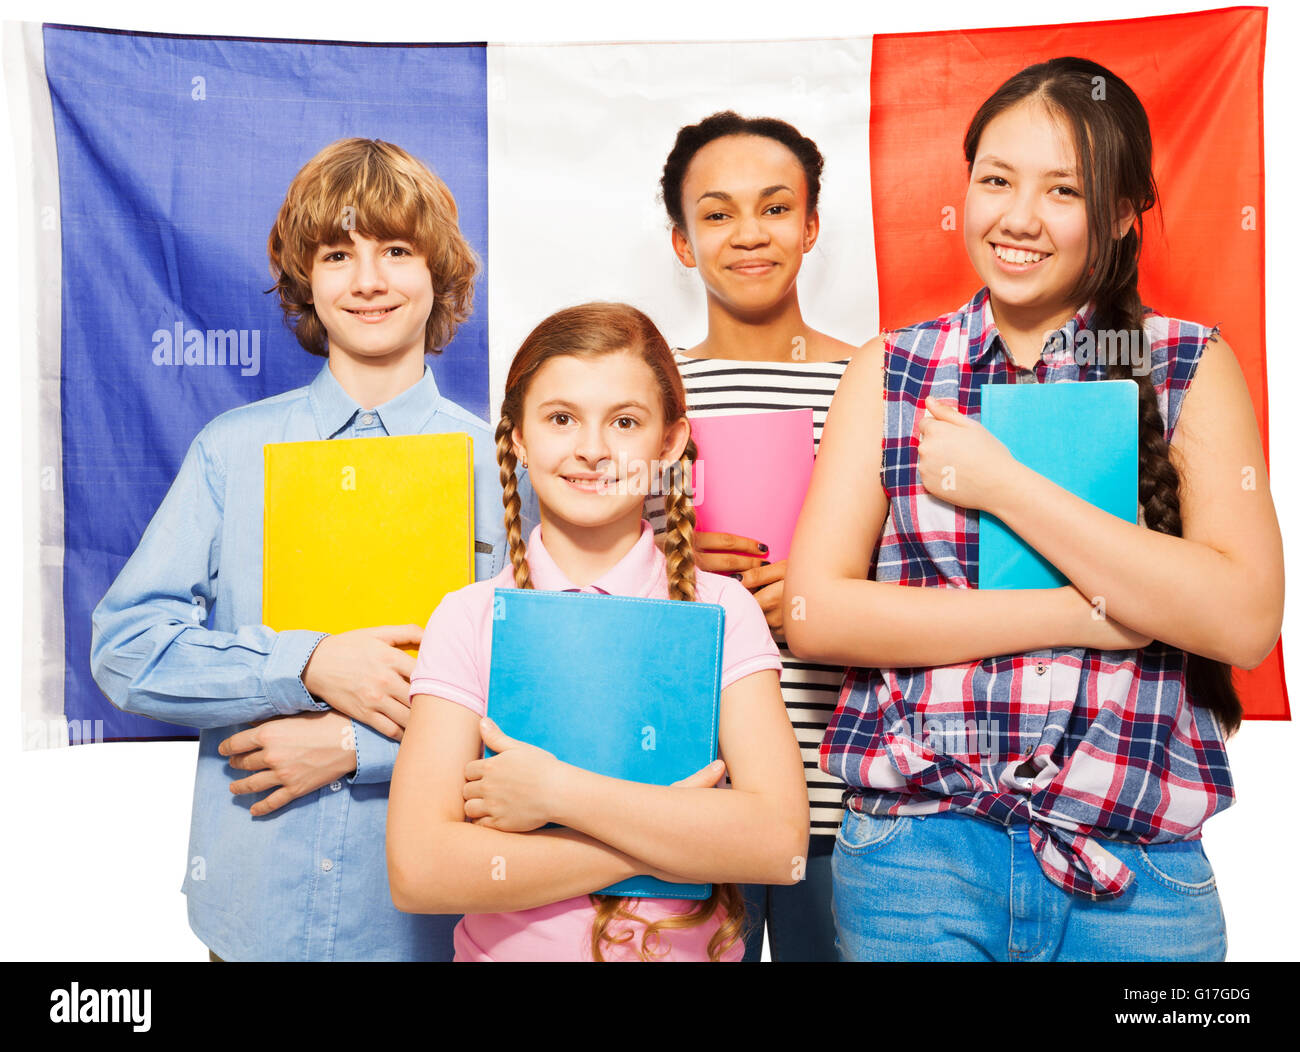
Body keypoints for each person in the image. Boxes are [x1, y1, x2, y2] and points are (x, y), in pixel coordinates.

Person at [784, 57, 1284, 962]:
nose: (1018, 218)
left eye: (1064, 191)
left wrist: (1002, 482)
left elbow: (1244, 621)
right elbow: (819, 612)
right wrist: (1080, 617)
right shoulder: (891, 369)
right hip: (916, 862)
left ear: (1127, 212)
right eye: (996, 181)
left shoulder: (1188, 364)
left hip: (1138, 878)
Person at [90, 138, 536, 961]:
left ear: (438, 272)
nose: (368, 280)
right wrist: (304, 666)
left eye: (396, 250)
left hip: (429, 922)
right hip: (251, 910)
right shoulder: (232, 451)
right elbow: (125, 651)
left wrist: (353, 747)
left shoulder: (507, 470)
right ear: (307, 279)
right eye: (339, 253)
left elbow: (537, 693)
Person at [387, 302, 809, 961]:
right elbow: (421, 869)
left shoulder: (722, 610)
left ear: (669, 443)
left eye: (625, 421)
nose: (591, 448)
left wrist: (556, 794)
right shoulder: (468, 617)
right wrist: (672, 837)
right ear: (519, 438)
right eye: (561, 419)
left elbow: (778, 845)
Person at [646, 111, 857, 961]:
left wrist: (827, 586)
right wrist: (669, 560)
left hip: (848, 796)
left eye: (775, 208)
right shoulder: (648, 391)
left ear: (810, 227)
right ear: (683, 243)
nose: (749, 234)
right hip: (690, 787)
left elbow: (932, 569)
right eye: (718, 212)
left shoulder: (871, 379)